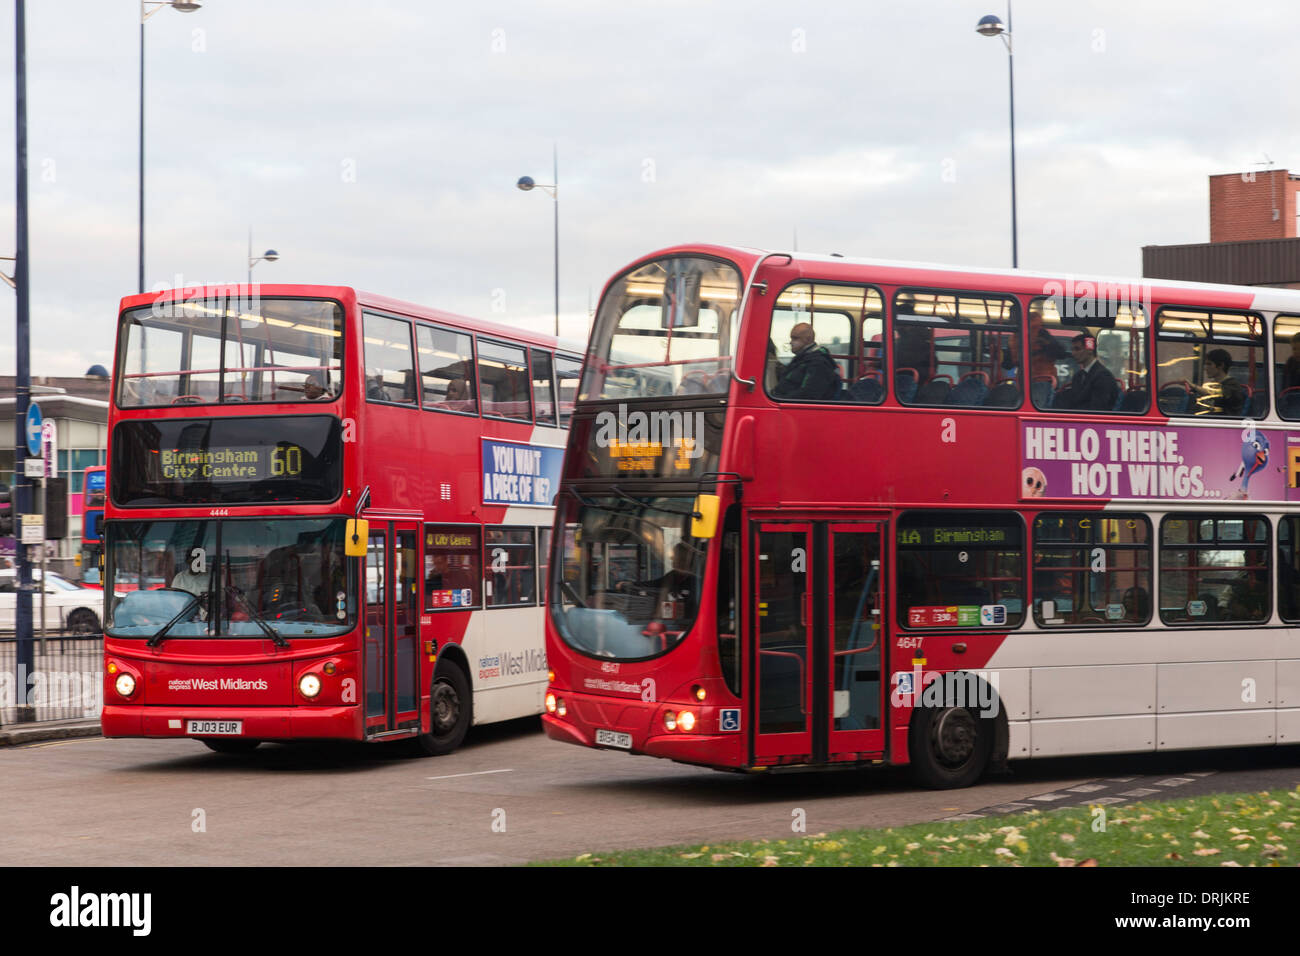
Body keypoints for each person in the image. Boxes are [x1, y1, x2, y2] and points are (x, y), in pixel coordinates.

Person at [772, 323, 840, 400]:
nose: (791, 342)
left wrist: (779, 399)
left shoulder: (819, 363)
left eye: (795, 338)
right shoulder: (802, 359)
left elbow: (809, 394)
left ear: (808, 339)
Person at [1056, 334, 1119, 410]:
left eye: (1077, 349)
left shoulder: (1103, 377)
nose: (1073, 353)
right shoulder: (1078, 376)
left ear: (1089, 350)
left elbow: (1098, 408)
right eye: (1072, 349)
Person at [1192, 348, 1246, 417]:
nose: (1205, 368)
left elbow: (1215, 394)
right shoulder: (1214, 384)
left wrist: (1193, 386)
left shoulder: (1232, 385)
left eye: (1209, 364)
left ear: (1221, 365)